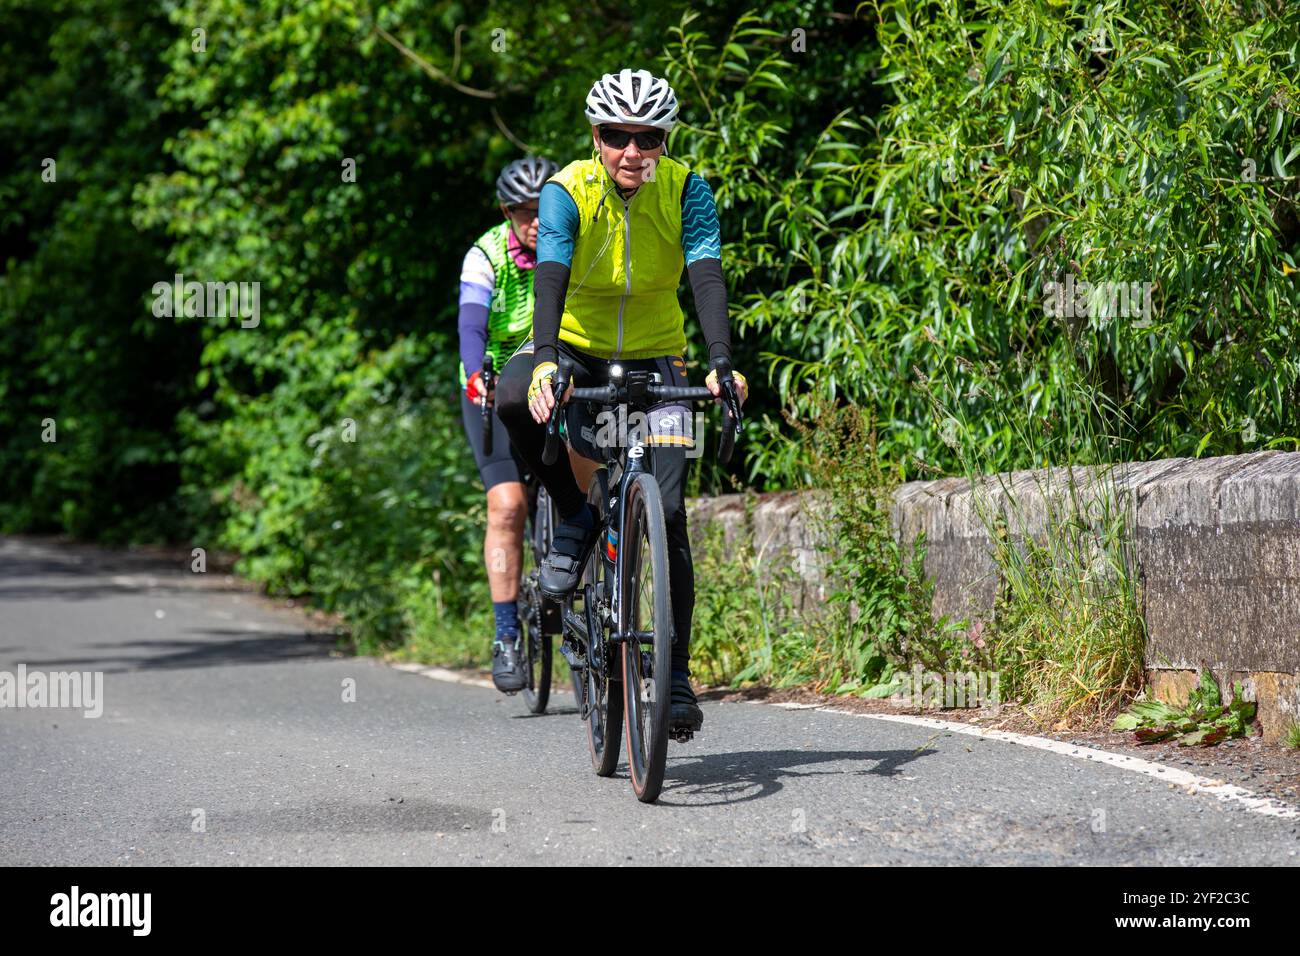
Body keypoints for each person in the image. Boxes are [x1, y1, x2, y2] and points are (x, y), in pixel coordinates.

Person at [496, 68, 749, 734]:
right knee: (514, 396)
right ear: (595, 136)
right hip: (575, 347)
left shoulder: (688, 191)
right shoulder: (565, 192)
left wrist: (721, 363)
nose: (632, 152)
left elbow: (706, 274)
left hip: (658, 358)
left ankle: (678, 678)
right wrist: (547, 359)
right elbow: (550, 271)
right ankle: (577, 517)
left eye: (648, 138)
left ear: (665, 139)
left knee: (666, 513)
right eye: (616, 136)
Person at [457, 155, 558, 693]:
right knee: (508, 505)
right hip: (493, 387)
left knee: (584, 490)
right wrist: (476, 374)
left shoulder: (570, 243)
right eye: (524, 212)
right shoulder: (486, 254)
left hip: (553, 380)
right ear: (507, 212)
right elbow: (471, 323)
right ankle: (505, 635)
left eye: (544, 209)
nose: (536, 222)